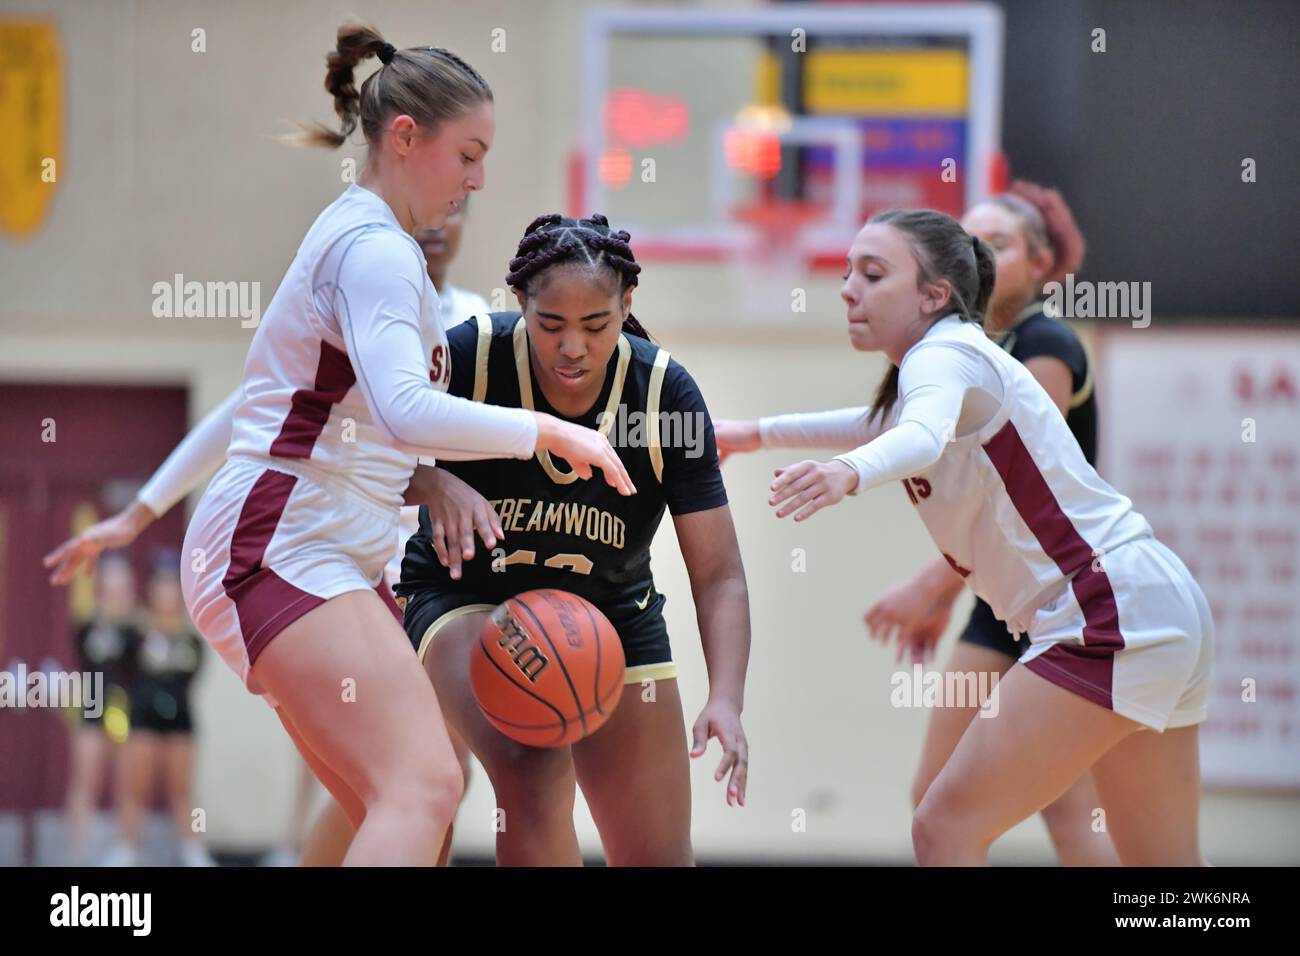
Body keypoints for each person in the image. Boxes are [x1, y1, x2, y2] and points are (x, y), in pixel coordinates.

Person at [47, 21, 633, 867]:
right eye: (467, 154)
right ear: (404, 138)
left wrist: (433, 477)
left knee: (395, 803)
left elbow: (329, 412)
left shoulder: (384, 255)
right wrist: (549, 432)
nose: (479, 179)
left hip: (320, 540)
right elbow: (396, 409)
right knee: (424, 784)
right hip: (283, 537)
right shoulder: (374, 251)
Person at [716, 208, 1211, 865]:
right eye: (845, 273)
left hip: (1106, 616)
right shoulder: (951, 366)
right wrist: (755, 433)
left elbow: (913, 440)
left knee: (942, 827)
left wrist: (846, 475)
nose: (846, 289)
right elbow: (885, 423)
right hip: (1156, 608)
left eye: (872, 273)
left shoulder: (943, 354)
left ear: (934, 293)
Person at [304, 213, 752, 866]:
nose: (572, 346)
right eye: (551, 325)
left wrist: (727, 698)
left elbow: (720, 574)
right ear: (521, 305)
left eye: (596, 325)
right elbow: (346, 448)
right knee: (532, 770)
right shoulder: (470, 357)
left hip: (613, 615)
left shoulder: (664, 394)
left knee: (659, 856)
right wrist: (430, 484)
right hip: (465, 597)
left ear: (627, 306)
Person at [105, 553, 215, 866]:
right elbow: (121, 670)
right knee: (134, 787)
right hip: (142, 718)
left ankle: (194, 851)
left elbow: (193, 676)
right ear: (151, 589)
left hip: (180, 720)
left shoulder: (190, 637)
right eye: (160, 583)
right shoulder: (136, 632)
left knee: (183, 792)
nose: (165, 591)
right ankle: (125, 850)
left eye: (171, 584)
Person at [63, 553, 139, 865]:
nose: (115, 584)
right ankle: (78, 853)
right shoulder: (86, 624)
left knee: (127, 784)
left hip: (127, 710)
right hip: (93, 705)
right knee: (85, 782)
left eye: (121, 577)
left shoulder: (138, 628)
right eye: (110, 577)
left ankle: (124, 851)